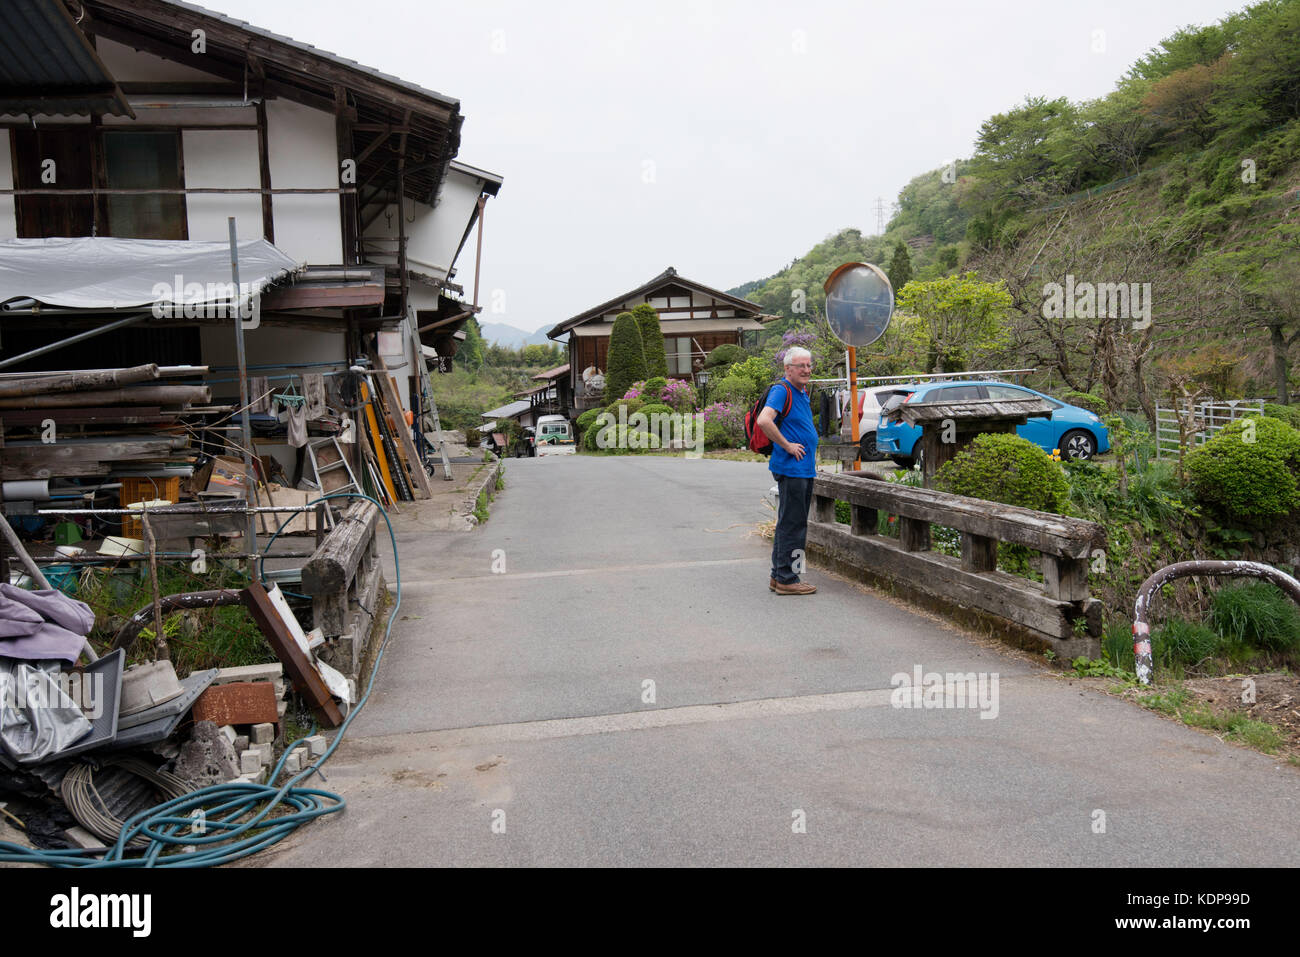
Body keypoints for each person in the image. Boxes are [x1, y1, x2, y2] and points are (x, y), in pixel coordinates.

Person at [757, 347, 819, 595]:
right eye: (801, 366)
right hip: (793, 468)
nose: (806, 370)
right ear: (788, 369)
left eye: (808, 365)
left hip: (801, 468)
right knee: (795, 525)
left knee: (789, 522)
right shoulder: (782, 390)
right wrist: (788, 445)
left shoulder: (800, 391)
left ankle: (779, 576)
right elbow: (764, 420)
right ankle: (789, 579)